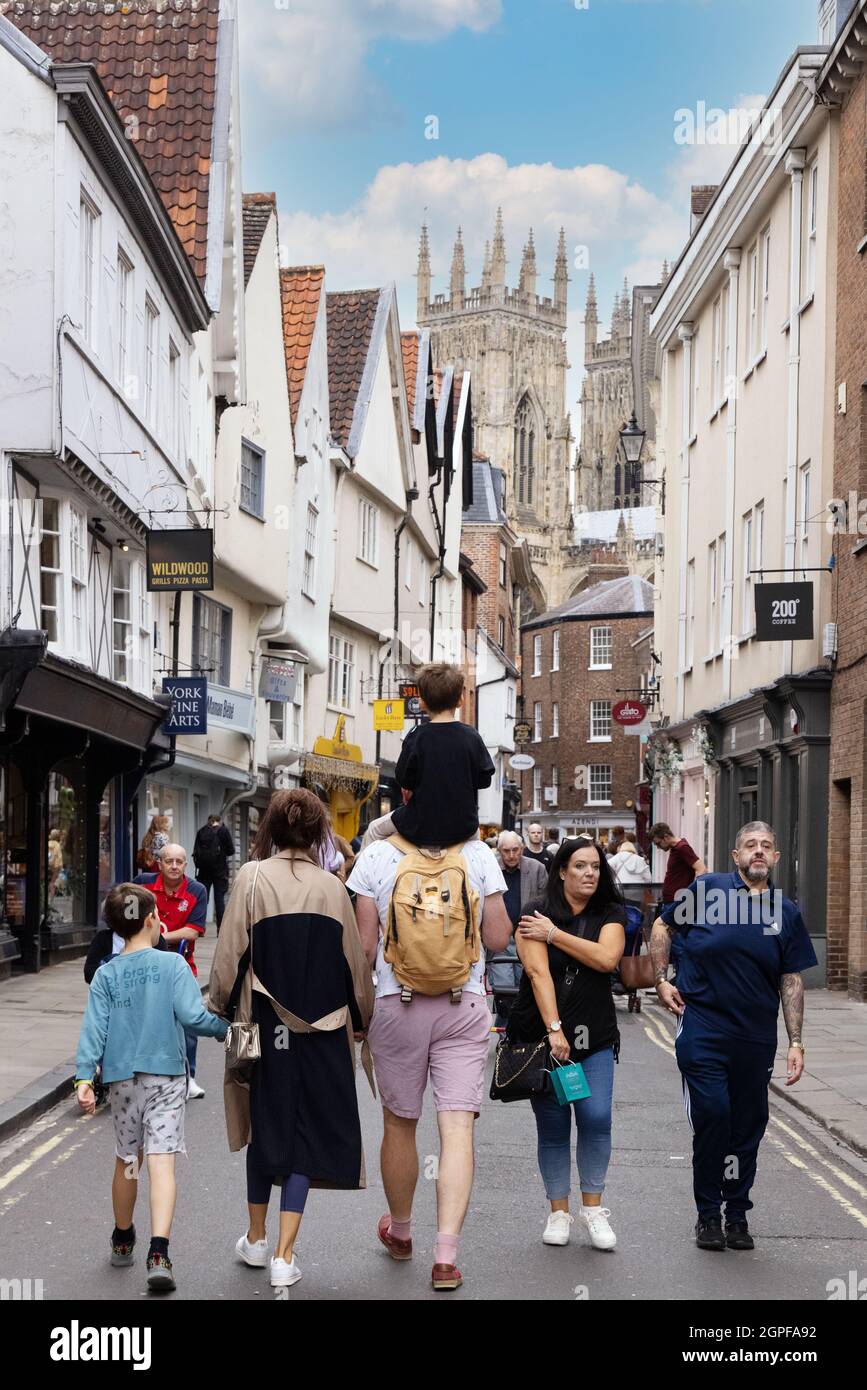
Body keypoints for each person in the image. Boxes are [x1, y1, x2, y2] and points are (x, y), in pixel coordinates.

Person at [208, 789, 374, 1290]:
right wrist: (362, 1017)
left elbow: (228, 959)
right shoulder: (332, 888)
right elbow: (354, 966)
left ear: (271, 829)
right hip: (323, 1032)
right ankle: (285, 1253)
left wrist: (218, 1007)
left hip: (255, 1027)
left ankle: (256, 1240)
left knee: (262, 1124)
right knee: (305, 1133)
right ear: (319, 832)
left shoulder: (249, 878)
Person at [349, 833, 511, 1291]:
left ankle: (401, 1232)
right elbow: (499, 937)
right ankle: (445, 1257)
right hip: (464, 1003)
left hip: (396, 1003)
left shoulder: (377, 856)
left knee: (400, 1123)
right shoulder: (478, 854)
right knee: (457, 1128)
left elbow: (363, 949)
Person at [650, 821, 816, 1253]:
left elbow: (791, 979)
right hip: (703, 1028)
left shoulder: (787, 911)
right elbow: (662, 928)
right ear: (735, 856)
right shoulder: (707, 892)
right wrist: (661, 979)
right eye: (750, 845)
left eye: (766, 846)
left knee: (747, 1128)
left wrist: (796, 1041)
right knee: (713, 1116)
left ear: (776, 858)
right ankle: (708, 1214)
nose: (758, 852)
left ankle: (736, 1214)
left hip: (756, 1037)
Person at [74, 883, 227, 1292]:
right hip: (166, 1079)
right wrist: (226, 1029)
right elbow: (195, 1018)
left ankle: (123, 1238)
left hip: (122, 1081)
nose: (161, 921)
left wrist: (84, 1078)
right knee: (162, 1160)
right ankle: (159, 1252)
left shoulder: (106, 973)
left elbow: (94, 1030)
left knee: (128, 1159)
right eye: (158, 915)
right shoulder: (173, 965)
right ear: (148, 921)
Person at [510, 837, 627, 1252]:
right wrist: (554, 1028)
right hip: (545, 1039)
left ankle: (593, 1209)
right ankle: (558, 1212)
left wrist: (555, 934)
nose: (589, 873)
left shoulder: (610, 912)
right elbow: (538, 974)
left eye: (595, 866)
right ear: (562, 871)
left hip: (594, 1036)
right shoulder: (531, 914)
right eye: (580, 866)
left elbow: (606, 959)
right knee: (555, 1126)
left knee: (596, 1117)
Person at [363, 662, 494, 848]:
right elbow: (484, 780)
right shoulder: (472, 736)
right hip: (463, 826)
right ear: (460, 700)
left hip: (420, 825)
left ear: (422, 701)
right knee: (480, 853)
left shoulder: (416, 736)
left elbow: (404, 780)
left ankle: (364, 875)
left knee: (373, 830)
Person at [133, 844, 209, 1099]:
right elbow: (127, 916)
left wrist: (160, 935)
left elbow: (193, 930)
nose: (174, 866)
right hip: (142, 963)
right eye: (169, 861)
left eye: (179, 861)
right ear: (159, 863)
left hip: (181, 965)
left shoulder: (197, 890)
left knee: (188, 1022)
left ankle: (190, 1077)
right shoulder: (142, 884)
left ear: (186, 865)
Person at [489, 831, 547, 1028]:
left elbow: (547, 902)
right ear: (499, 851)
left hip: (528, 936)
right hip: (499, 937)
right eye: (506, 851)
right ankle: (506, 1031)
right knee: (504, 989)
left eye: (515, 850)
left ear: (522, 849)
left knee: (525, 986)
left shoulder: (537, 869)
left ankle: (515, 1031)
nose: (512, 855)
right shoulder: (490, 868)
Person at [649, 823, 707, 980]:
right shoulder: (676, 849)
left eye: (658, 843)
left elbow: (701, 868)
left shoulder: (682, 848)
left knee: (678, 944)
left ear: (666, 837)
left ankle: (682, 979)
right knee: (674, 943)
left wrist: (690, 895)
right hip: (673, 902)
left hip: (678, 903)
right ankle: (679, 977)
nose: (658, 847)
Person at [192, 814, 235, 931]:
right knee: (219, 900)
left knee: (202, 899)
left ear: (209, 821)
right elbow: (231, 850)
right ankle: (220, 928)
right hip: (220, 871)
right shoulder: (223, 831)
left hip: (204, 871)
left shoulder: (202, 831)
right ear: (219, 821)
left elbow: (196, 851)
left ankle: (200, 927)